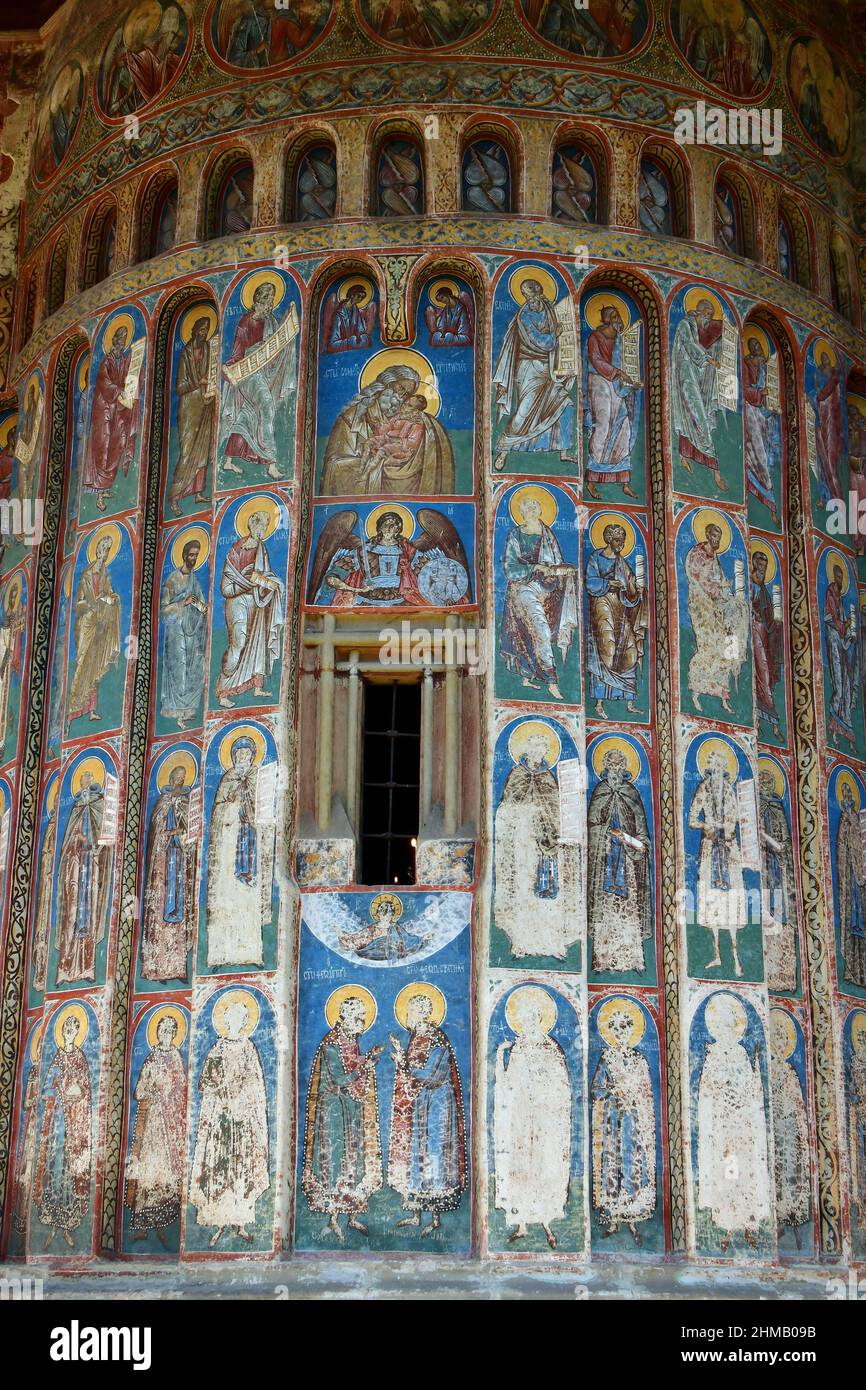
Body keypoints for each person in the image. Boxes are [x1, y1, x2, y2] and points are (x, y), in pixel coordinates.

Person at [493, 986, 572, 1248]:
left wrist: (544, 1100)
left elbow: (562, 1086)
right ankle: (523, 1224)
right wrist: (500, 1055)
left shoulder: (551, 1048)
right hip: (521, 1119)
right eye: (524, 1019)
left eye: (532, 1018)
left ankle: (547, 1222)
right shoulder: (517, 1049)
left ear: (539, 1019)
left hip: (544, 1119)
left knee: (545, 1167)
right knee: (522, 1167)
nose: (528, 1023)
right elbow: (506, 1084)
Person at [188, 995, 269, 1248]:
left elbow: (255, 1084)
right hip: (221, 1119)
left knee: (241, 1168)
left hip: (241, 1118)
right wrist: (217, 1086)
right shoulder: (218, 1048)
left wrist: (239, 1096)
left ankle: (241, 1221)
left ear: (245, 1021)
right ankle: (219, 1222)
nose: (237, 1019)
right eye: (233, 1015)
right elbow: (204, 1082)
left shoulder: (248, 1048)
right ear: (226, 1019)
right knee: (218, 1169)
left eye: (241, 1016)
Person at [301, 994, 384, 1241]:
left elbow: (353, 1074)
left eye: (363, 1014)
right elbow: (340, 1078)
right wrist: (366, 1064)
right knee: (334, 1163)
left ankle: (352, 1215)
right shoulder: (330, 1045)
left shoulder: (351, 1041)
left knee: (353, 1160)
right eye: (357, 1014)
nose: (362, 1019)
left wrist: (365, 1061)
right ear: (344, 1016)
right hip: (334, 1113)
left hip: (351, 1109)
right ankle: (333, 1219)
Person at [493, 728, 581, 959]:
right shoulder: (517, 774)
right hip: (523, 845)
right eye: (534, 747)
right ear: (526, 750)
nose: (538, 752)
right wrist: (525, 818)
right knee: (524, 891)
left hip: (548, 847)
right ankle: (521, 943)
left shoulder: (548, 778)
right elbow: (505, 810)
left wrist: (554, 832)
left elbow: (558, 811)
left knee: (550, 896)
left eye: (542, 749)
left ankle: (553, 944)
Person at [695, 995, 771, 1252]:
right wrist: (723, 1087)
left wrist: (756, 1075)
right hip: (724, 1126)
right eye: (722, 1024)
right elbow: (707, 1089)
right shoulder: (713, 1054)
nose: (726, 1028)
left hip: (742, 1126)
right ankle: (728, 1224)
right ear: (717, 1026)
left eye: (730, 1024)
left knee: (745, 1174)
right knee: (729, 1172)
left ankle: (748, 1223)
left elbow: (750, 1088)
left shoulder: (741, 1053)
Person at [388, 991, 466, 1236]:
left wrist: (403, 1062)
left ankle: (435, 1218)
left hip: (438, 1105)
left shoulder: (437, 1039)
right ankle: (415, 1214)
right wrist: (402, 1058)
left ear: (423, 1012)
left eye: (413, 1010)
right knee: (419, 1154)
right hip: (420, 1103)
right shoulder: (416, 1037)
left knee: (435, 1154)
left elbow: (433, 1076)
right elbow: (413, 1076)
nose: (409, 1015)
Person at [320, 366, 454, 495]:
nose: (401, 396)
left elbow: (409, 442)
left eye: (407, 394)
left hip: (392, 453)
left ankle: (366, 470)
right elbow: (336, 458)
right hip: (366, 458)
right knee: (338, 466)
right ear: (388, 385)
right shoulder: (354, 415)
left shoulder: (409, 418)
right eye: (400, 388)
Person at [500, 491, 577, 700]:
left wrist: (563, 571)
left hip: (546, 588)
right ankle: (552, 680)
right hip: (522, 587)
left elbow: (556, 562)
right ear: (522, 512)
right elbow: (509, 568)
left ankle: (528, 675)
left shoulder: (547, 534)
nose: (532, 510)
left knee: (538, 629)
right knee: (540, 628)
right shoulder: (516, 534)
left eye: (535, 506)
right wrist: (535, 567)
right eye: (528, 507)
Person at [205, 738, 275, 967]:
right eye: (239, 756)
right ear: (233, 757)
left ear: (252, 757)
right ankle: (219, 955)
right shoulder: (228, 779)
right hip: (228, 849)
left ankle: (253, 954)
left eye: (246, 755)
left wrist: (250, 811)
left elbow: (265, 814)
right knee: (227, 895)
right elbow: (217, 813)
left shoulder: (258, 779)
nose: (242, 759)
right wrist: (232, 806)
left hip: (251, 849)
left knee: (249, 901)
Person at [590, 1002, 656, 1244]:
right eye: (615, 1029)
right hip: (613, 1123)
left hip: (634, 1123)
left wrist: (635, 1097)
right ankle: (615, 1220)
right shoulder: (606, 1058)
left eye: (624, 1028)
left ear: (631, 1031)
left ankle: (633, 1221)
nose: (620, 1033)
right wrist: (612, 1090)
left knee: (633, 1167)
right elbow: (595, 1090)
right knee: (614, 1168)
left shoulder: (640, 1060)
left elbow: (647, 1093)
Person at [493, 278, 574, 471]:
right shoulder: (524, 316)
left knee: (564, 403)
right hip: (529, 366)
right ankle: (504, 450)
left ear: (539, 292)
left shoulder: (548, 307)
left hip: (549, 367)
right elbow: (543, 342)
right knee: (524, 411)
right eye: (527, 295)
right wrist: (556, 334)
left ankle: (563, 450)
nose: (531, 299)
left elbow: (560, 332)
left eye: (533, 294)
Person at [220, 281, 294, 480]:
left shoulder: (270, 320)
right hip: (249, 373)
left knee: (248, 413)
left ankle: (228, 461)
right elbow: (237, 353)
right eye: (267, 300)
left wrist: (288, 323)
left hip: (264, 371)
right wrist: (229, 369)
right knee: (267, 408)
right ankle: (271, 464)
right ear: (259, 300)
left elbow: (278, 343)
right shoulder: (246, 322)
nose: (269, 305)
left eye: (271, 301)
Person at [587, 747, 652, 973]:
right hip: (605, 857)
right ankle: (602, 960)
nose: (615, 768)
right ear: (606, 767)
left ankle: (633, 960)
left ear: (624, 767)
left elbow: (642, 830)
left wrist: (634, 841)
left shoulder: (631, 792)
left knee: (628, 909)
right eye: (611, 764)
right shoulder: (600, 790)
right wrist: (606, 832)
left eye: (619, 764)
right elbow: (592, 825)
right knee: (605, 910)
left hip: (626, 858)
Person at [125, 1012, 187, 1246]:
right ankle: (142, 1226)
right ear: (158, 1033)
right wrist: (153, 1093)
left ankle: (163, 1226)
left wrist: (168, 1095)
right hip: (151, 1126)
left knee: (165, 1173)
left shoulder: (176, 1058)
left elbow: (182, 1091)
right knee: (148, 1172)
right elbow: (138, 1092)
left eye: (171, 1030)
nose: (166, 1034)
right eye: (163, 1030)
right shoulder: (151, 1059)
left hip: (169, 1126)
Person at [33, 1010, 92, 1249]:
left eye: (73, 1027)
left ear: (78, 1032)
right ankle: (52, 1227)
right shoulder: (57, 1057)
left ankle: (67, 1228)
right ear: (62, 1032)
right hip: (58, 1121)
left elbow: (86, 1089)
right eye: (66, 1027)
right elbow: (46, 1088)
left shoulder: (80, 1058)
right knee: (54, 1173)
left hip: (75, 1125)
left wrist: (75, 1094)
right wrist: (58, 1093)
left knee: (69, 1174)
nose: (69, 1030)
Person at [215, 509, 284, 708]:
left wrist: (271, 584)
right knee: (239, 641)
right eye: (259, 525)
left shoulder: (262, 549)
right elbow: (227, 587)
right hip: (237, 600)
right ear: (252, 525)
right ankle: (223, 691)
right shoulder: (237, 549)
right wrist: (250, 581)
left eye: (264, 526)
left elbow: (265, 574)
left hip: (256, 600)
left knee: (258, 639)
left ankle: (257, 685)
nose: (261, 529)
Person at [688, 748, 747, 977]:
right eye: (714, 767)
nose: (717, 771)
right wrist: (706, 825)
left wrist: (727, 829)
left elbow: (735, 817)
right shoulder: (703, 788)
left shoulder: (729, 791)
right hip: (711, 848)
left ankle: (735, 957)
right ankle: (716, 954)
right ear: (710, 770)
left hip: (728, 849)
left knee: (731, 901)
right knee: (712, 900)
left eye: (721, 767)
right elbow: (693, 819)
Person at [54, 770, 113, 985]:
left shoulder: (99, 804)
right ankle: (65, 969)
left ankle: (87, 968)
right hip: (75, 870)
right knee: (70, 917)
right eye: (80, 782)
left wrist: (89, 841)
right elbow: (68, 842)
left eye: (85, 781)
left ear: (92, 782)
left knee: (91, 916)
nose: (82, 785)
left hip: (93, 869)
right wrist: (76, 841)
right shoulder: (76, 808)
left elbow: (105, 841)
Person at [684, 521, 748, 713]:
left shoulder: (716, 557)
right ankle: (696, 691)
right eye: (714, 536)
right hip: (702, 607)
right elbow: (702, 581)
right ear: (707, 534)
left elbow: (718, 580)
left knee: (727, 645)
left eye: (719, 537)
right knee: (708, 647)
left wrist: (725, 589)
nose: (716, 540)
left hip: (716, 607)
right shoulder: (697, 554)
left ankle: (723, 697)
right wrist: (720, 591)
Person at [140, 765, 197, 981]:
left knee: (179, 915)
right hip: (162, 865)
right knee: (159, 912)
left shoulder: (186, 802)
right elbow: (155, 831)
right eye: (177, 777)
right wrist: (166, 833)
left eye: (183, 778)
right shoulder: (162, 803)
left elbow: (190, 831)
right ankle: (156, 969)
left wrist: (178, 833)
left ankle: (178, 968)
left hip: (180, 862)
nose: (179, 781)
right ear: (171, 778)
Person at [585, 522, 647, 718]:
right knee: (607, 647)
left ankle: (629, 701)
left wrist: (636, 591)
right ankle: (599, 702)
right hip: (602, 605)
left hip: (621, 610)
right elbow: (590, 582)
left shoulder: (623, 563)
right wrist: (607, 583)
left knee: (629, 649)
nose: (621, 544)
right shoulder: (596, 557)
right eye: (618, 540)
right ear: (609, 540)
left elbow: (630, 592)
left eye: (623, 541)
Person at [584, 305, 641, 498]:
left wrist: (631, 380)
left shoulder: (620, 340)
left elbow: (627, 362)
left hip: (616, 384)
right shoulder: (595, 337)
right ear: (606, 319)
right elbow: (595, 360)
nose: (618, 319)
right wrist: (617, 372)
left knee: (623, 427)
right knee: (603, 425)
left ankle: (624, 481)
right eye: (614, 316)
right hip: (599, 381)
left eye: (619, 315)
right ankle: (591, 480)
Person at [82, 325, 140, 513]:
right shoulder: (106, 362)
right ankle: (98, 494)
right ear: (114, 341)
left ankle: (106, 486)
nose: (121, 344)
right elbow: (104, 383)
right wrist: (119, 391)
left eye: (124, 341)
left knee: (119, 444)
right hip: (105, 412)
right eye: (119, 340)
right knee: (103, 450)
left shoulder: (122, 360)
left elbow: (127, 378)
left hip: (119, 410)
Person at [66, 533, 121, 729]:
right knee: (82, 665)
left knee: (95, 666)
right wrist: (93, 603)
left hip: (99, 625)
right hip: (87, 625)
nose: (105, 553)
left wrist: (112, 599)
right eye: (104, 549)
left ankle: (91, 710)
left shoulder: (105, 573)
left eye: (108, 550)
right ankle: (73, 710)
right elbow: (78, 605)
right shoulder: (86, 576)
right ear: (98, 551)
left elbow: (108, 593)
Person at [671, 297, 725, 490]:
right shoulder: (685, 324)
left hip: (693, 376)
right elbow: (689, 345)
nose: (708, 319)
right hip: (684, 377)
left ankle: (685, 456)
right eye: (706, 314)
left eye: (710, 316)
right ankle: (714, 468)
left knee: (694, 418)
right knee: (695, 418)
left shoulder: (698, 328)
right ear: (699, 311)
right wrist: (708, 360)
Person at [769, 1013, 810, 1250]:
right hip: (775, 1131)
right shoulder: (767, 1068)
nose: (779, 1043)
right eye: (775, 1038)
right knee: (775, 1174)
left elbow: (797, 1107)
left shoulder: (789, 1073)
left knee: (789, 1176)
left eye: (782, 1039)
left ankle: (791, 1220)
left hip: (789, 1133)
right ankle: (778, 1220)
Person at [160, 538, 207, 727]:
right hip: (176, 632)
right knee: (179, 668)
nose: (194, 558)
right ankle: (177, 711)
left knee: (192, 668)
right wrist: (182, 603)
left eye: (196, 555)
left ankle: (188, 709)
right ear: (184, 555)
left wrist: (203, 608)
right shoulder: (172, 579)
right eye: (191, 555)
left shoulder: (194, 579)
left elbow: (200, 603)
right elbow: (164, 610)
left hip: (191, 632)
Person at [170, 316, 215, 513]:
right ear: (194, 330)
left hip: (206, 403)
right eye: (201, 329)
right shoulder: (186, 354)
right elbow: (180, 387)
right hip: (189, 408)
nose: (204, 333)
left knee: (202, 450)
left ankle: (197, 492)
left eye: (207, 330)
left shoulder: (208, 350)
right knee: (187, 452)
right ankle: (174, 497)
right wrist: (200, 382)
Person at [758, 768, 797, 994]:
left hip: (778, 867)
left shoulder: (777, 807)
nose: (766, 786)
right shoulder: (757, 807)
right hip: (762, 866)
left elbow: (784, 842)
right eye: (763, 782)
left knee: (779, 911)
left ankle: (781, 973)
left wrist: (772, 842)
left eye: (769, 783)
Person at [743, 336, 781, 523]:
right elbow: (744, 388)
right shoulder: (747, 363)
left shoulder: (766, 365)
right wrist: (759, 393)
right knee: (757, 452)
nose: (756, 346)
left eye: (758, 343)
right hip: (751, 410)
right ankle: (765, 489)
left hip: (764, 413)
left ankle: (769, 495)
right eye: (753, 344)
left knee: (764, 451)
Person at [824, 560, 859, 745]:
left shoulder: (842, 600)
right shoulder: (830, 593)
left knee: (846, 681)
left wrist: (849, 634)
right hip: (834, 641)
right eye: (837, 576)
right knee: (838, 681)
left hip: (842, 644)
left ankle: (845, 723)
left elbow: (843, 623)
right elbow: (832, 620)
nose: (839, 579)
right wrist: (843, 627)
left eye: (841, 576)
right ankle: (833, 723)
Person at [837, 778, 866, 989]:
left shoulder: (856, 818)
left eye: (849, 793)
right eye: (844, 792)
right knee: (851, 923)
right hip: (849, 880)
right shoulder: (844, 820)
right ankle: (850, 970)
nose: (847, 796)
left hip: (859, 881)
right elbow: (841, 849)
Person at [750, 549, 782, 738]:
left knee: (766, 674)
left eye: (765, 567)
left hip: (764, 635)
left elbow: (769, 619)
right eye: (760, 566)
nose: (762, 570)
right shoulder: (749, 585)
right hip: (753, 633)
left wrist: (775, 624)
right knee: (760, 672)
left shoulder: (763, 590)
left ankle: (764, 719)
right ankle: (772, 719)